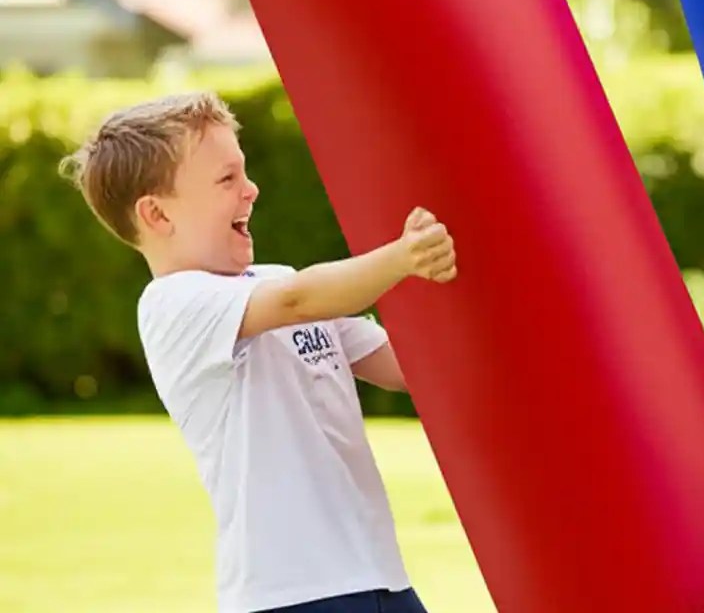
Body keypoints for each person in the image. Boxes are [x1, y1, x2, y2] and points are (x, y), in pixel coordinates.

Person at [59, 92, 457, 613]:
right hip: (289, 596)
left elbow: (409, 371)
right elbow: (299, 300)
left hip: (380, 577)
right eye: (227, 180)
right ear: (157, 214)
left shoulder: (277, 282)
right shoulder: (174, 305)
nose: (251, 189)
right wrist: (403, 257)